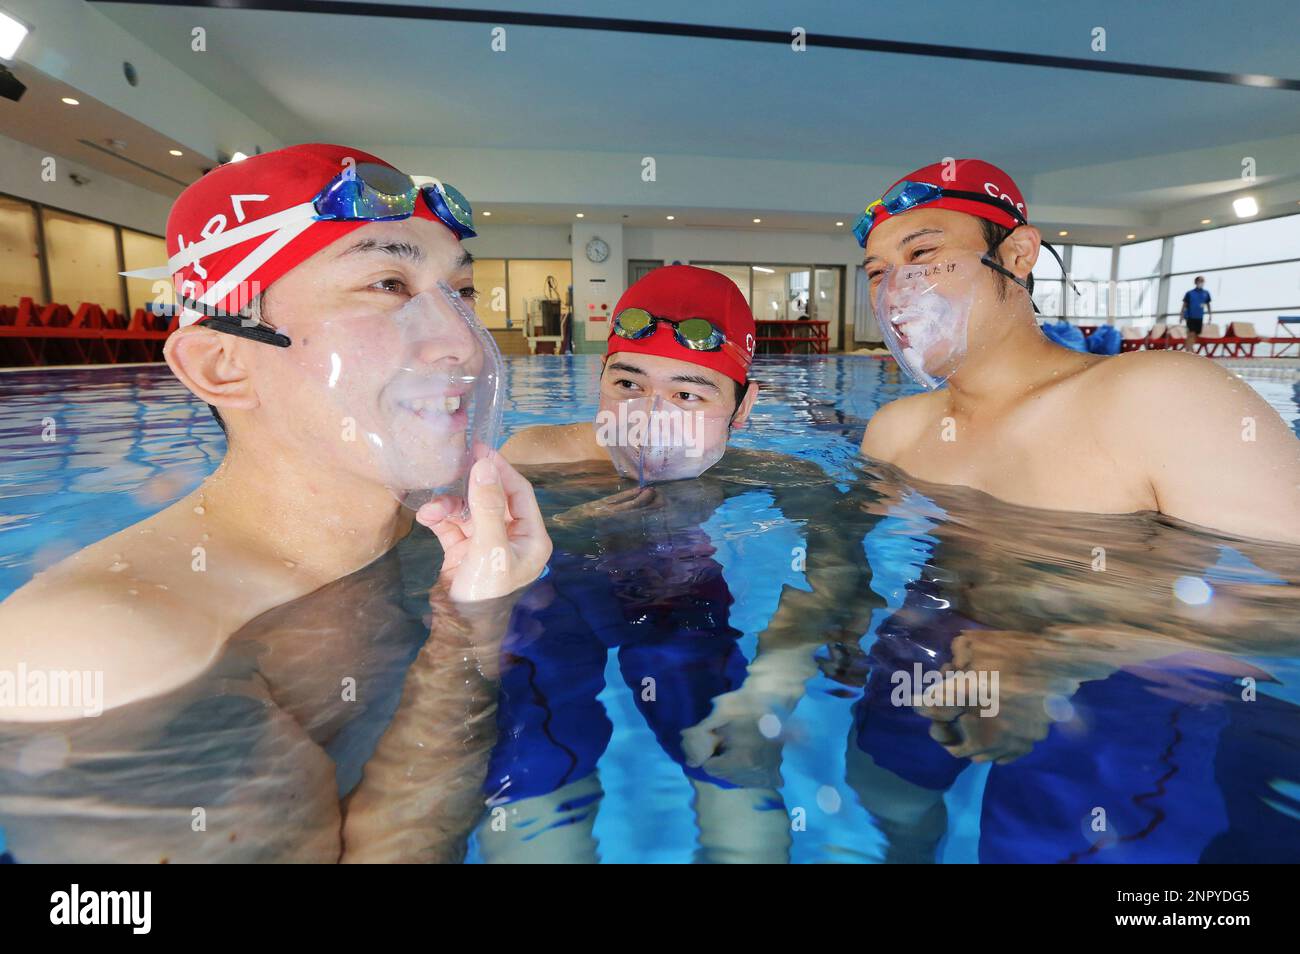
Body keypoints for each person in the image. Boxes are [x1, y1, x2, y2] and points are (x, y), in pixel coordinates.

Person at [0, 143, 551, 721]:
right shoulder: (98, 642)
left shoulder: (449, 535)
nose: (464, 345)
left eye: (462, 293)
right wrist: (471, 638)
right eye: (387, 284)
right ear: (222, 365)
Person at [476, 265, 874, 861]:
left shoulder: (781, 474)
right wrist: (565, 532)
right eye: (628, 384)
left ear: (742, 409)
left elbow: (840, 572)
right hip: (556, 601)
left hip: (681, 600)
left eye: (688, 394)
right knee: (530, 748)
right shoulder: (534, 456)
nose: (648, 416)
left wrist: (769, 688)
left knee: (735, 750)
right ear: (599, 377)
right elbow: (462, 565)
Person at [855, 158, 1299, 543]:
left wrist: (1088, 638)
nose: (895, 291)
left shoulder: (1162, 399)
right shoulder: (895, 432)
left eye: (923, 253)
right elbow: (845, 568)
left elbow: (1280, 599)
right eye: (877, 273)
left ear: (1017, 254)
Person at [1180, 275, 1213, 349]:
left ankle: (1189, 348)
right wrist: (1181, 316)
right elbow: (1184, 305)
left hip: (1199, 317)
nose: (1201, 282)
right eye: (1199, 281)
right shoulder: (1189, 293)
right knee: (1191, 333)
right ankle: (1189, 350)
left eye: (1202, 281)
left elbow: (1208, 304)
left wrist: (1210, 315)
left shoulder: (1206, 293)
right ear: (1196, 282)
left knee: (1195, 334)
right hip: (1190, 316)